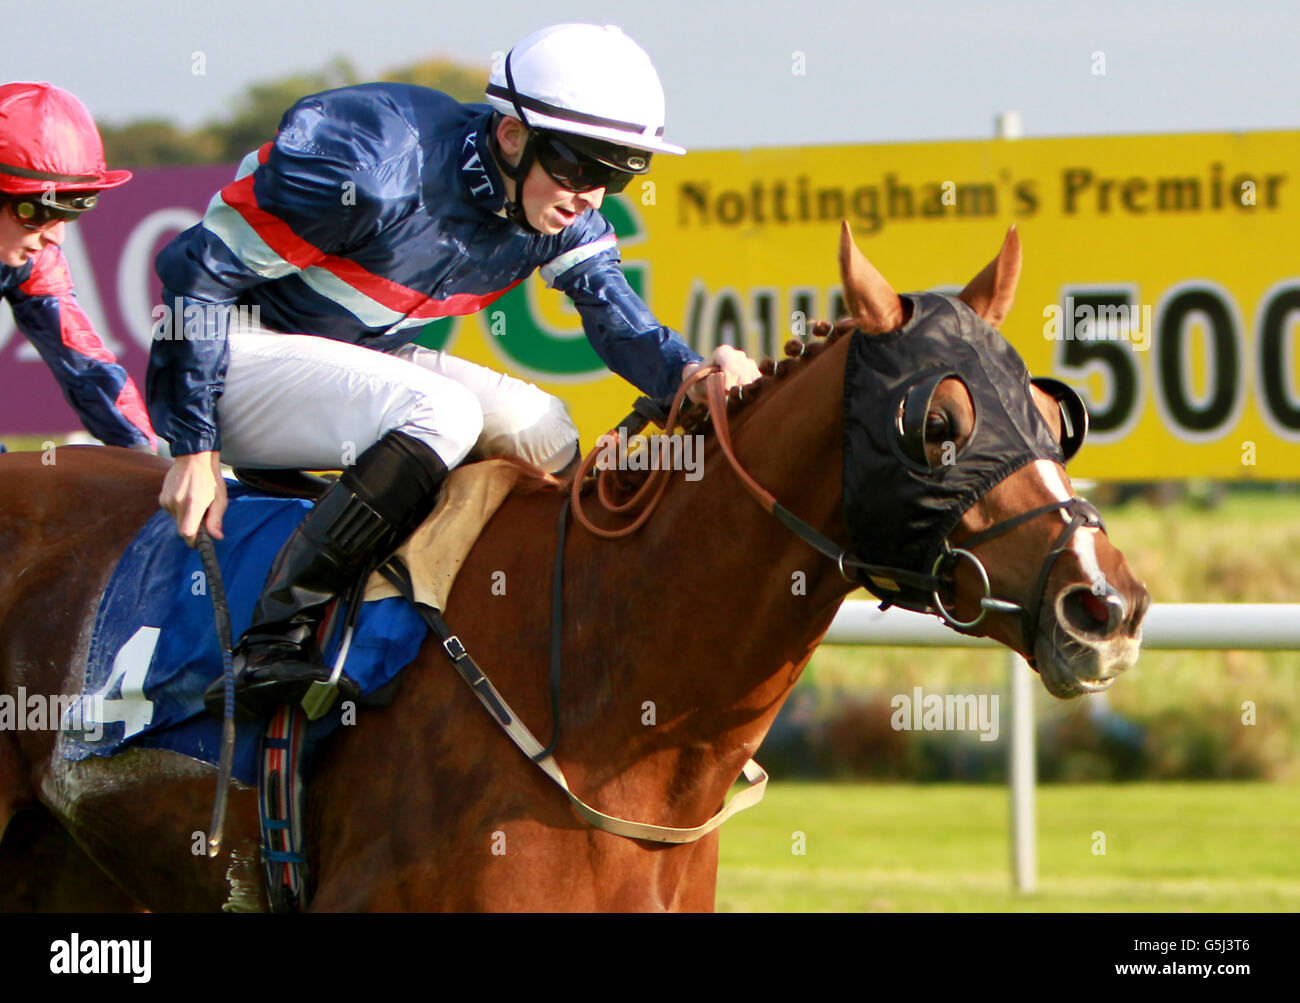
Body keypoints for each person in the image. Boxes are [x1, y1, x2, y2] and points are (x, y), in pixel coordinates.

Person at [146, 23, 759, 717]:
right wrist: (192, 446)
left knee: (545, 430)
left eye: (616, 175)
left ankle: (519, 631)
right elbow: (192, 275)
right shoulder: (371, 166)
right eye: (579, 167)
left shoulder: (560, 210)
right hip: (233, 358)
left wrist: (687, 376)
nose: (591, 195)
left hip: (349, 357)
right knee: (445, 412)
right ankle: (272, 638)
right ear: (510, 136)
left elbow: (618, 320)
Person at [0, 82, 156, 452]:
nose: (56, 238)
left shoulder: (35, 260)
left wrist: (150, 460)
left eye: (70, 212)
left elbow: (88, 368)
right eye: (39, 213)